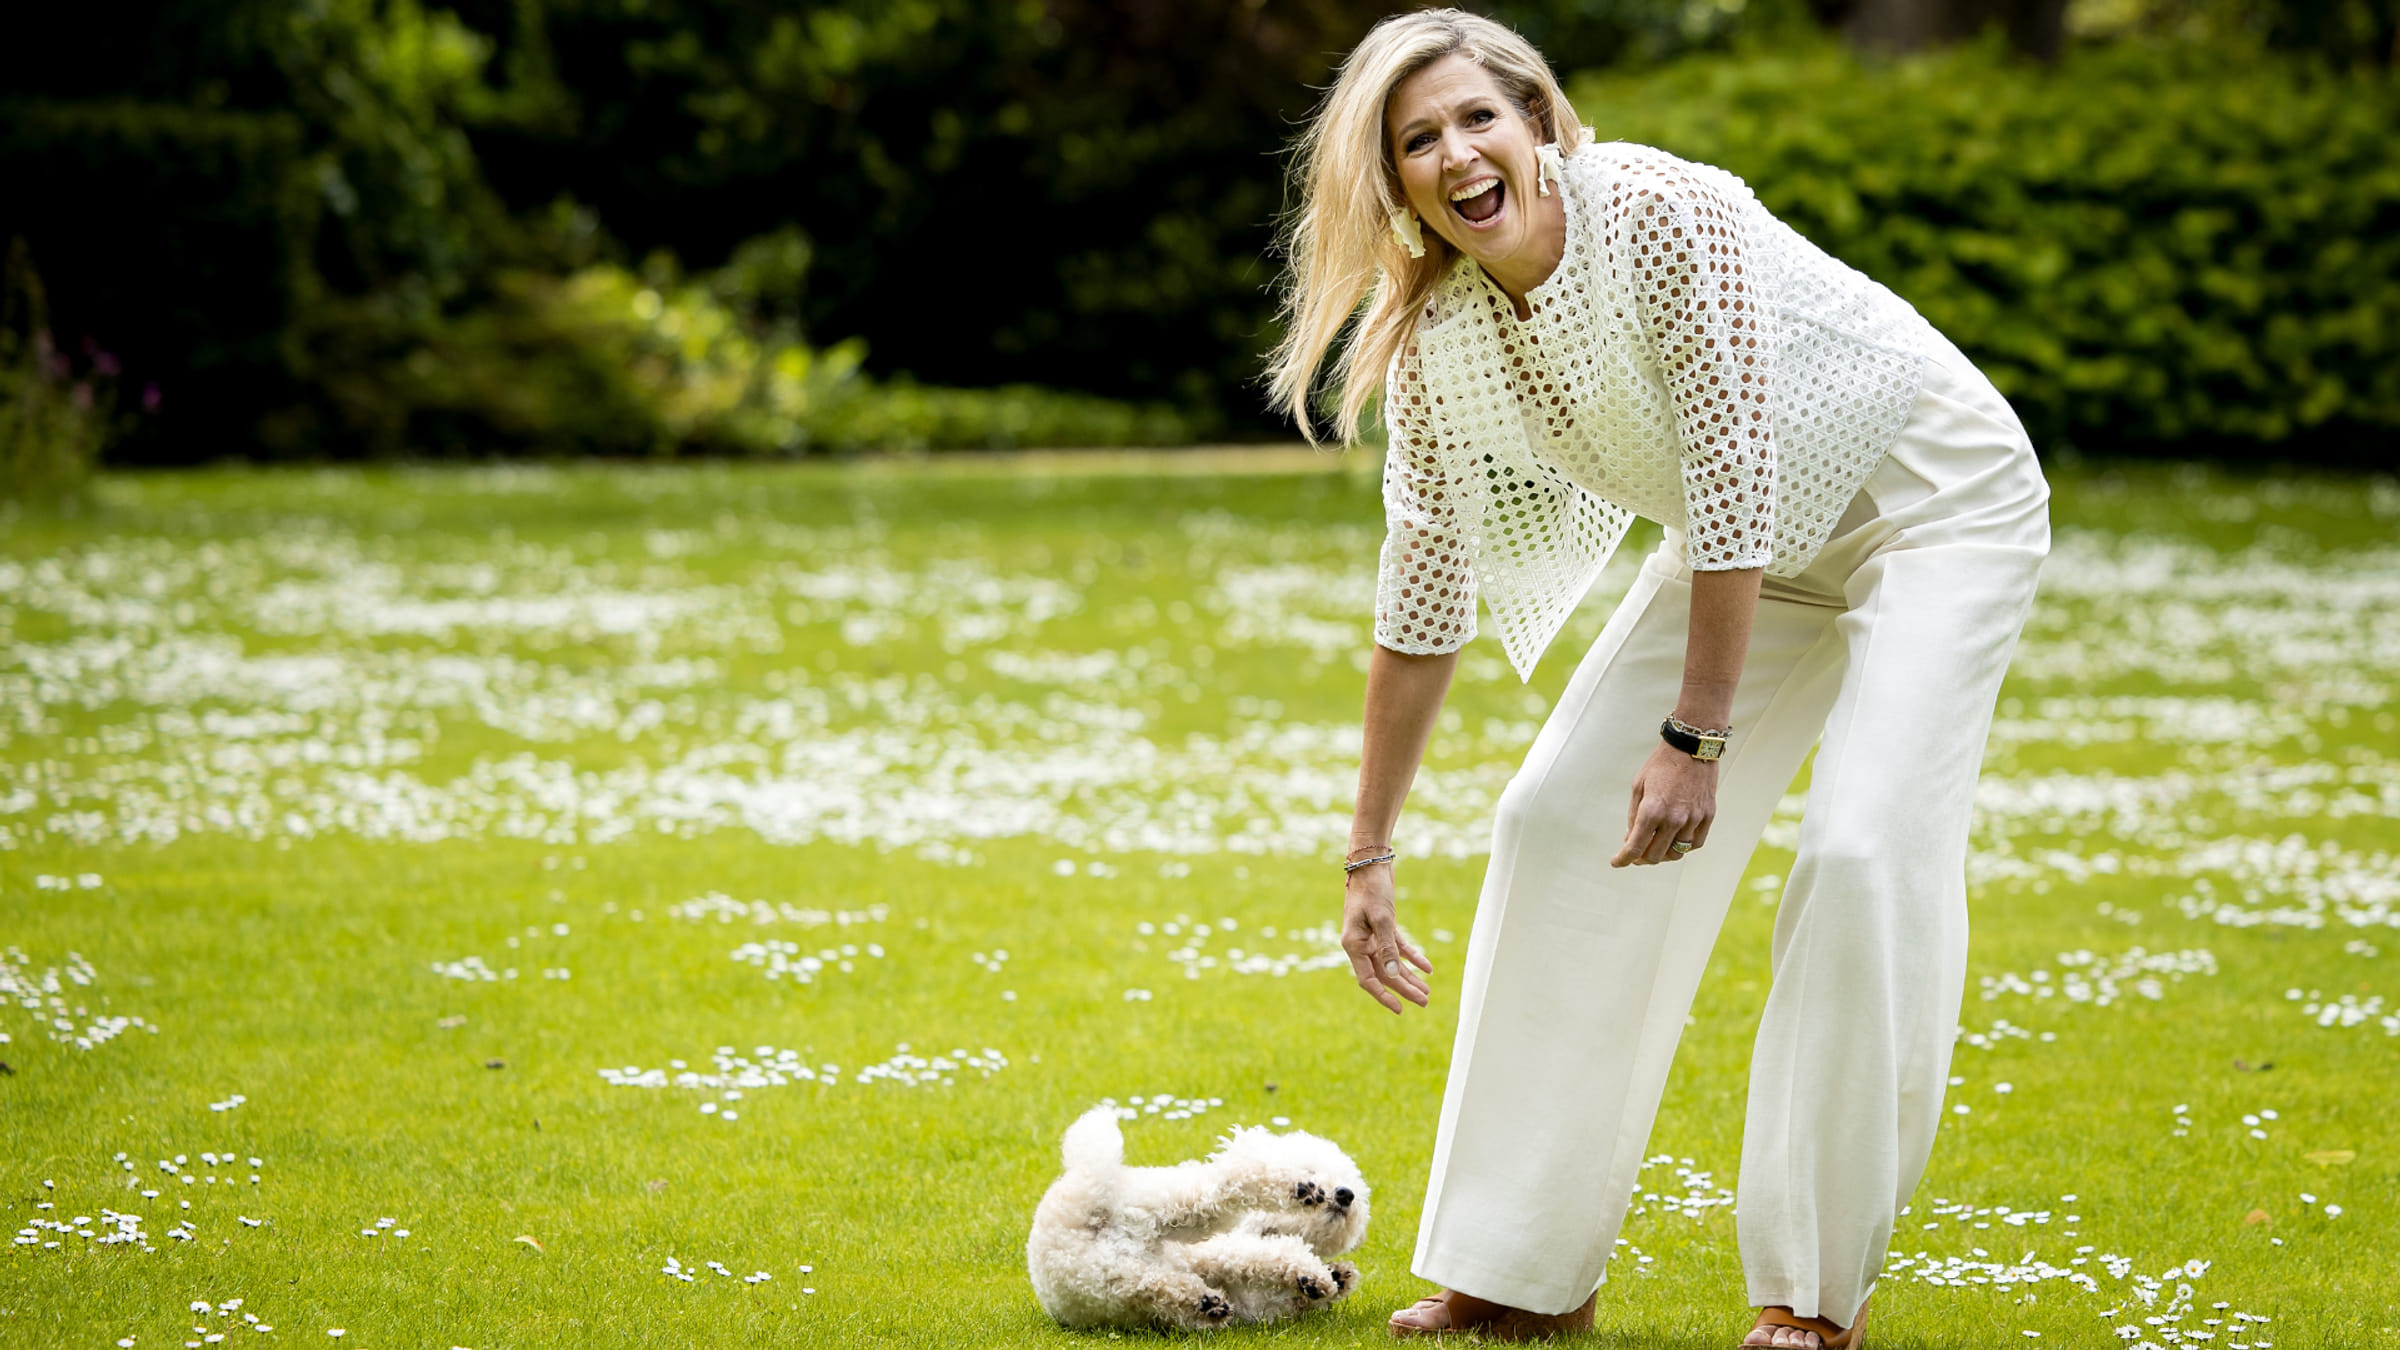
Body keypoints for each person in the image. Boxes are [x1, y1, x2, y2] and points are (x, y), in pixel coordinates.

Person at [1266, 9, 2050, 1348]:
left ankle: (1810, 1298)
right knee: (1555, 817)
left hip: (1933, 499)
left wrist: (1699, 732)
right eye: (1417, 140)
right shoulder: (1442, 347)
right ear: (1391, 180)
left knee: (1859, 853)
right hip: (1760, 544)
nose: (1457, 153)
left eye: (1478, 118)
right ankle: (1520, 1273)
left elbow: (1733, 470)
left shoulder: (1665, 210)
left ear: (1538, 123)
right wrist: (1366, 851)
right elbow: (1422, 601)